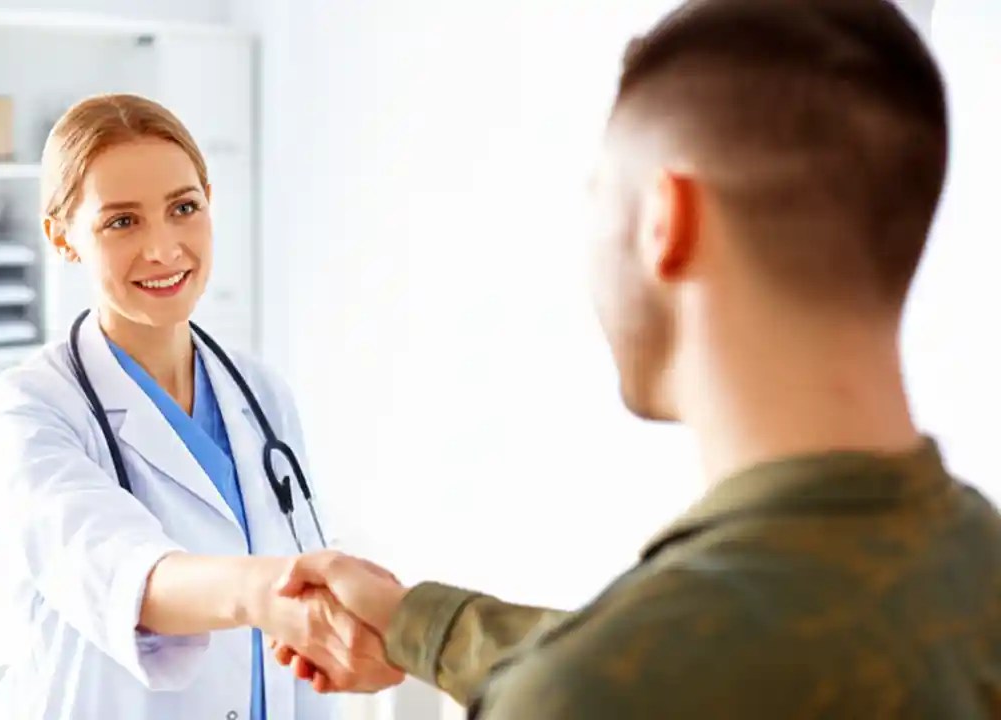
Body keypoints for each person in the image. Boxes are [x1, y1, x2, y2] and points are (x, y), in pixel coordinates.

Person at [270, 0, 1001, 717]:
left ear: (665, 222)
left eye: (599, 203)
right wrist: (418, 625)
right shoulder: (971, 562)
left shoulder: (586, 692)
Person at [0, 94, 401, 719]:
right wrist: (266, 594)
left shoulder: (260, 393)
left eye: (183, 208)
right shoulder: (27, 410)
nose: (164, 248)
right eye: (122, 221)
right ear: (61, 236)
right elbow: (123, 572)